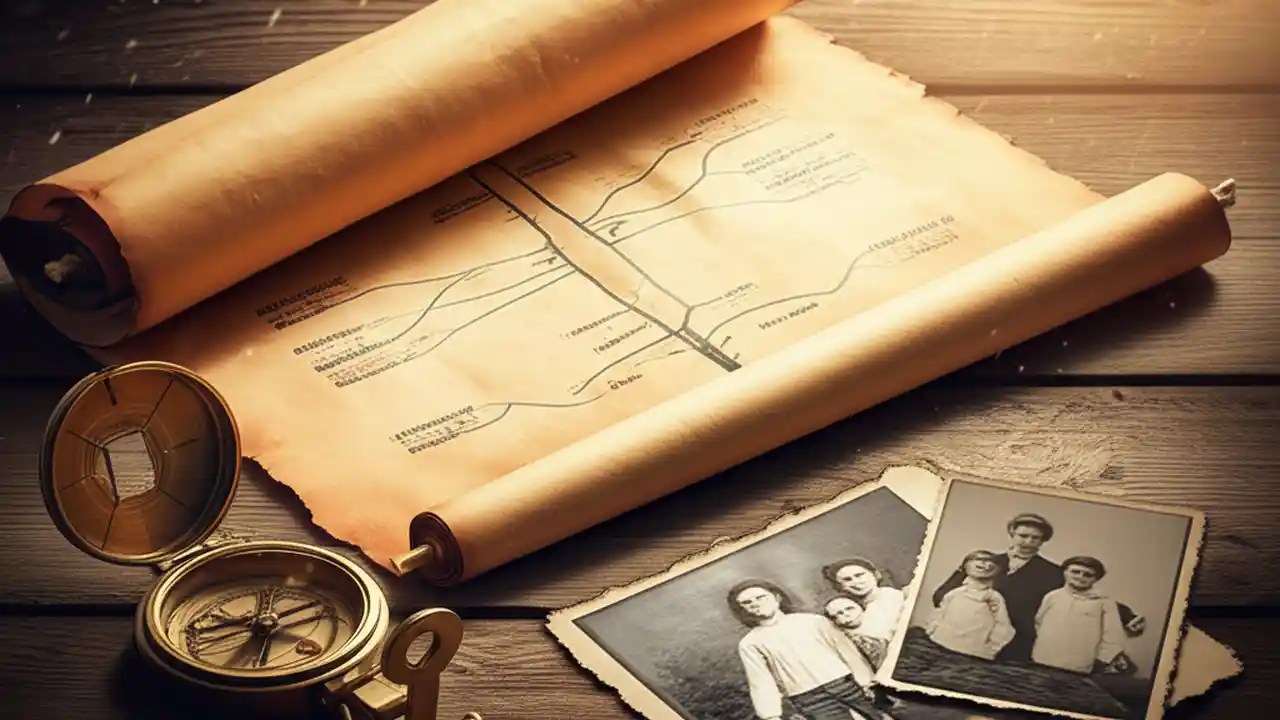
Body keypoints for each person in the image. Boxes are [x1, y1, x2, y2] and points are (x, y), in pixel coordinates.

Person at [931, 512, 1145, 662]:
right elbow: (941, 596)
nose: (1028, 541)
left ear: (1042, 542)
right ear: (1012, 534)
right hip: (971, 637)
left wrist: (1127, 616)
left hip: (1018, 644)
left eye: (1035, 538)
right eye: (1023, 535)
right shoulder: (985, 563)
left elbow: (1087, 593)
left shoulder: (1052, 572)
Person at [729, 580, 886, 720]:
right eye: (747, 602)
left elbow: (848, 652)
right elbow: (760, 681)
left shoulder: (812, 621)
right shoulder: (750, 643)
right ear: (742, 610)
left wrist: (867, 682)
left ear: (777, 597)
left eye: (760, 597)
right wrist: (770, 715)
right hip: (809, 698)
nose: (755, 604)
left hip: (848, 685)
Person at [1032, 556, 1129, 674]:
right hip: (1043, 660)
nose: (1080, 577)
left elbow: (1112, 635)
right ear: (1065, 572)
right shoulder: (1052, 596)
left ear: (1096, 579)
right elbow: (1039, 622)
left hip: (1079, 666)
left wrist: (1102, 660)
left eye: (1088, 575)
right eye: (1075, 572)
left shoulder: (1103, 602)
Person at [926, 550, 1016, 659]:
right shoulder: (956, 593)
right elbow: (940, 612)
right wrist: (932, 630)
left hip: (972, 651)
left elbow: (1003, 625)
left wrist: (990, 649)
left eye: (989, 561)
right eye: (979, 559)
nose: (984, 564)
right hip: (941, 642)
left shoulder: (993, 598)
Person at [821, 558, 906, 644]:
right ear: (840, 586)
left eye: (859, 575)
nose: (856, 582)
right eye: (847, 580)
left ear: (874, 574)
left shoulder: (895, 597)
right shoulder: (844, 610)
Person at [822, 595, 888, 669]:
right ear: (834, 621)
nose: (847, 614)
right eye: (839, 614)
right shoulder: (850, 643)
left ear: (860, 606)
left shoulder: (884, 619)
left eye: (850, 609)